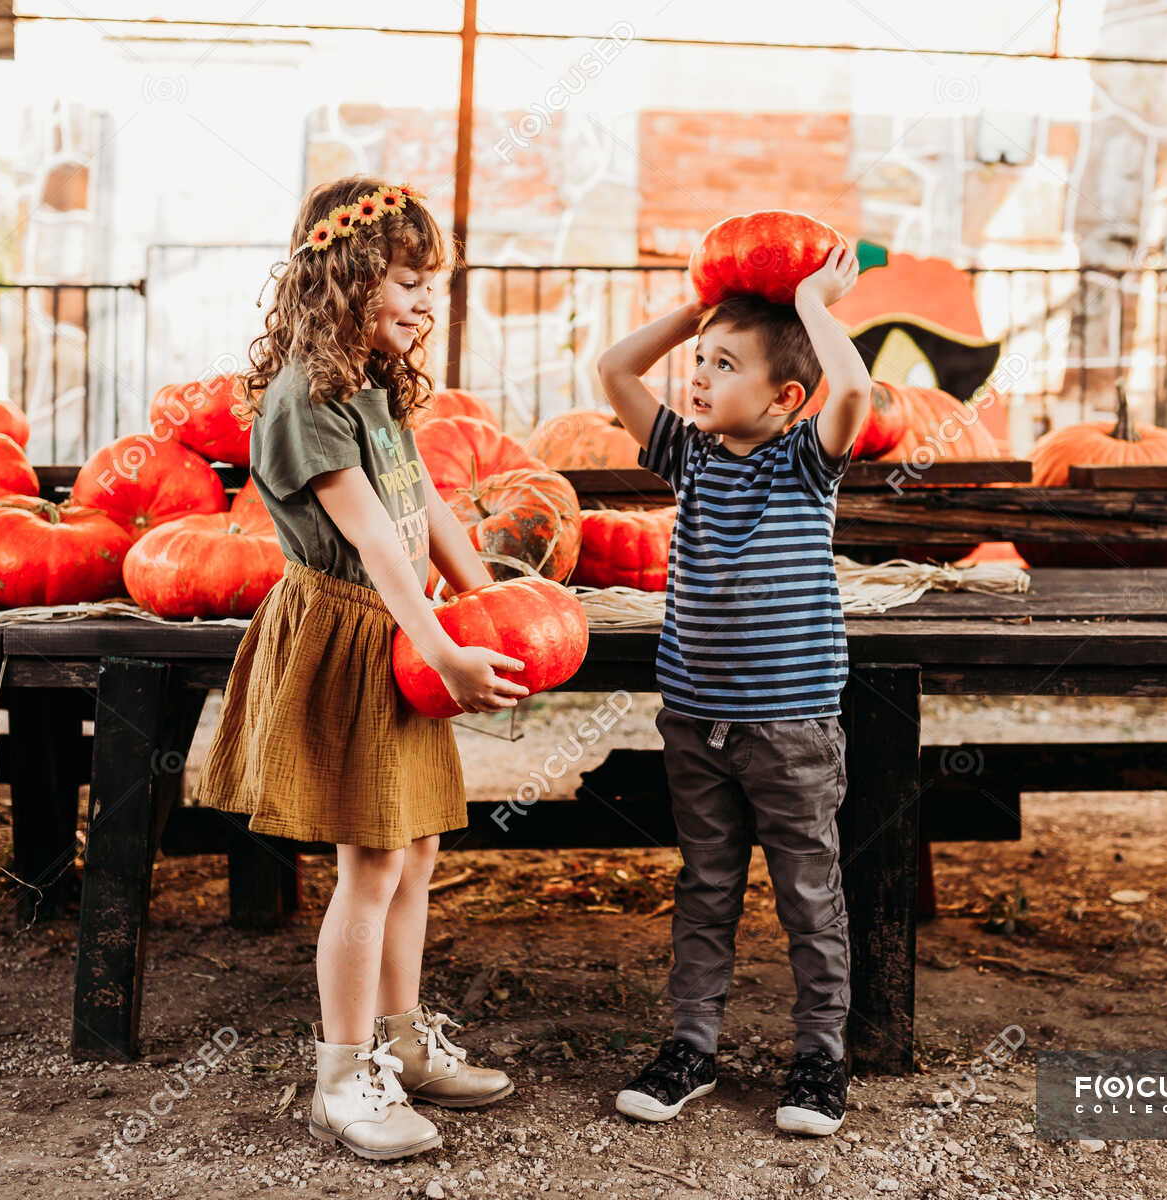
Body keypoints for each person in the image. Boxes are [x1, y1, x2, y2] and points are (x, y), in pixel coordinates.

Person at [197, 176, 526, 1162]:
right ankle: (341, 1079)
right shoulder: (306, 395)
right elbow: (380, 543)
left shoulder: (374, 379)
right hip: (348, 634)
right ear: (346, 278)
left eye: (436, 283)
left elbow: (420, 493)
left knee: (414, 849)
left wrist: (486, 596)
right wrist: (445, 648)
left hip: (398, 632)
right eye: (411, 281)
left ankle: (403, 1043)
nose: (429, 302)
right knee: (371, 861)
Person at [595, 245, 872, 1136]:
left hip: (791, 727)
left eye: (723, 364)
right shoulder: (688, 455)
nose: (699, 377)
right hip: (697, 721)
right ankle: (692, 1047)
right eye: (697, 363)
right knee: (706, 886)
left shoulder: (803, 463)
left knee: (808, 892)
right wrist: (699, 310)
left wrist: (809, 305)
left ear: (786, 397)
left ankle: (821, 1058)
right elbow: (612, 369)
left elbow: (855, 395)